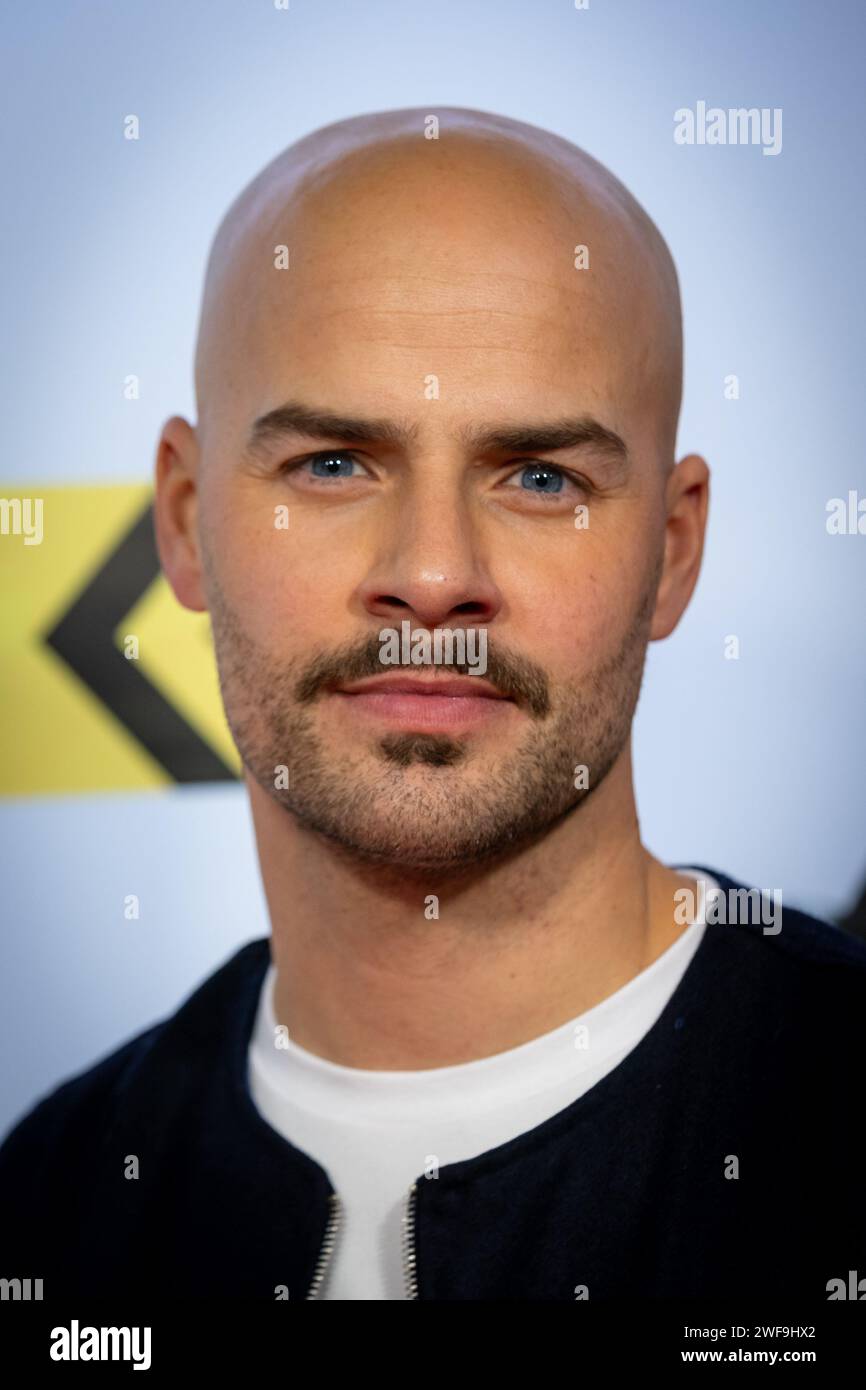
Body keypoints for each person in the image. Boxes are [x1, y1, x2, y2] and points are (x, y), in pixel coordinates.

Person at [1, 107, 864, 1302]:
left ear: (671, 553)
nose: (433, 573)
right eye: (335, 463)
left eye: (539, 477)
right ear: (186, 522)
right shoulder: (48, 1205)